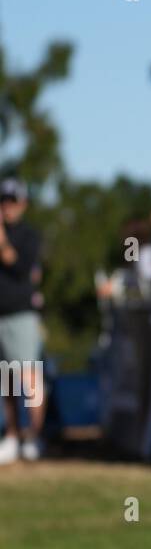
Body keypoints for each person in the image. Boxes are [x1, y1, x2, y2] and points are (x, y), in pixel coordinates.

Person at [0, 177, 46, 462]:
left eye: (13, 201)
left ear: (23, 204)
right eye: (4, 201)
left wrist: (2, 239)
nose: (8, 207)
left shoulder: (29, 235)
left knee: (29, 378)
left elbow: (19, 267)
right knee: (5, 380)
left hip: (21, 314)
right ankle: (13, 435)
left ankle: (35, 436)